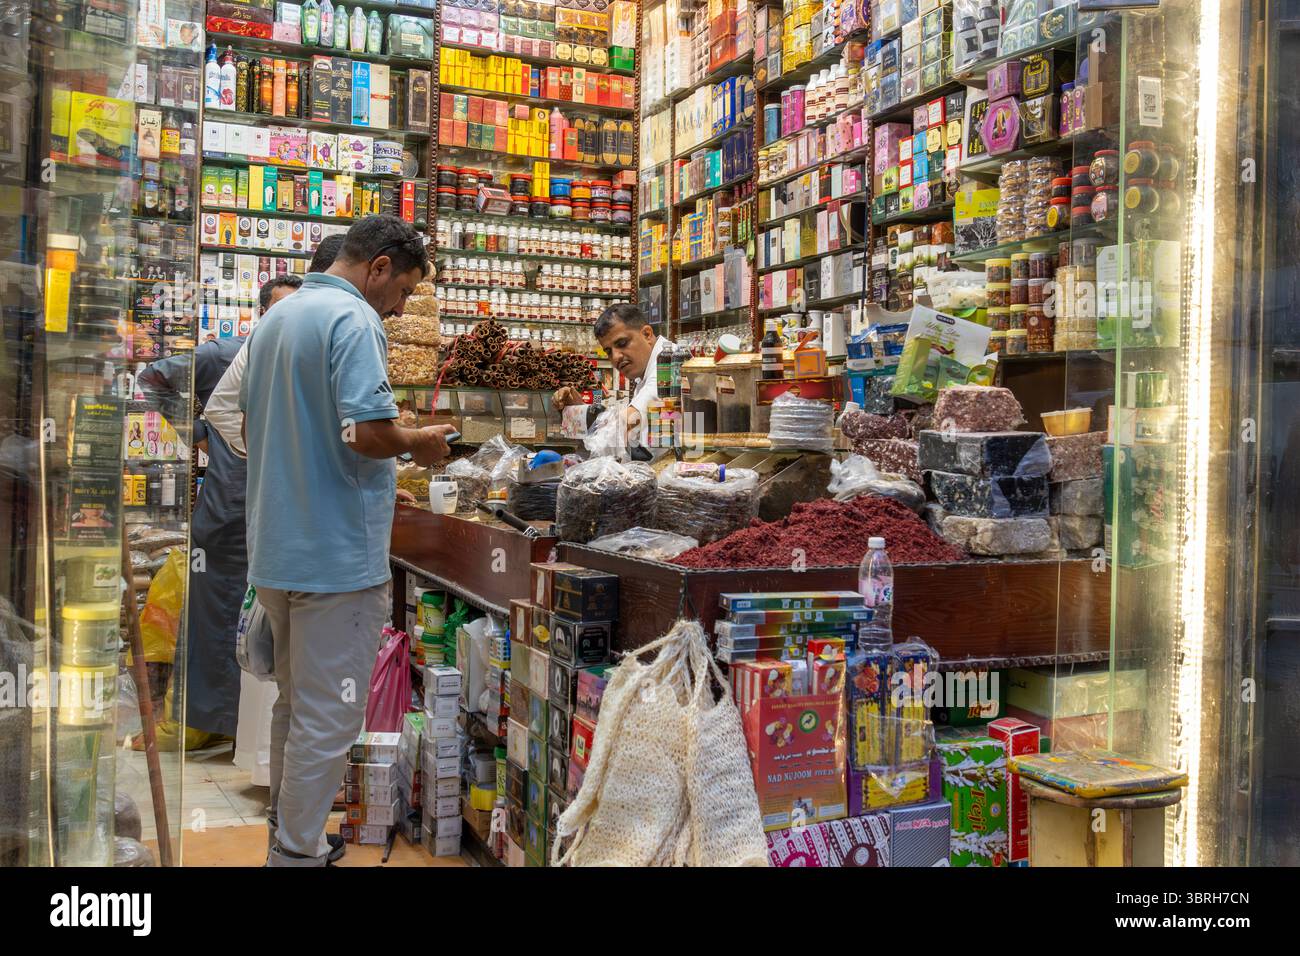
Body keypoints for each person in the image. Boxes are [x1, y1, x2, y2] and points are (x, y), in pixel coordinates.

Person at [240, 215, 454, 867]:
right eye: (406, 292)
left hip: (277, 549)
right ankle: (298, 853)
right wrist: (421, 443)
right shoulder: (353, 318)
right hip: (334, 560)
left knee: (294, 704)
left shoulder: (278, 318)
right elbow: (366, 432)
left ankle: (287, 833)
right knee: (329, 715)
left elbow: (266, 425)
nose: (401, 308)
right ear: (380, 267)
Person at [134, 278, 296, 751]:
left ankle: (245, 733)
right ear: (262, 312)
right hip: (227, 510)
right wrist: (200, 432)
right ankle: (199, 722)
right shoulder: (226, 353)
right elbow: (154, 378)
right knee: (214, 616)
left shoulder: (296, 361)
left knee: (262, 625)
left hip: (274, 516)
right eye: (280, 309)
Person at [552, 303, 674, 450]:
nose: (616, 357)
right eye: (608, 351)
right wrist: (581, 412)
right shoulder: (647, 372)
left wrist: (587, 422)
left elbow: (622, 427)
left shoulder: (670, 364)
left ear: (647, 334)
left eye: (622, 343)